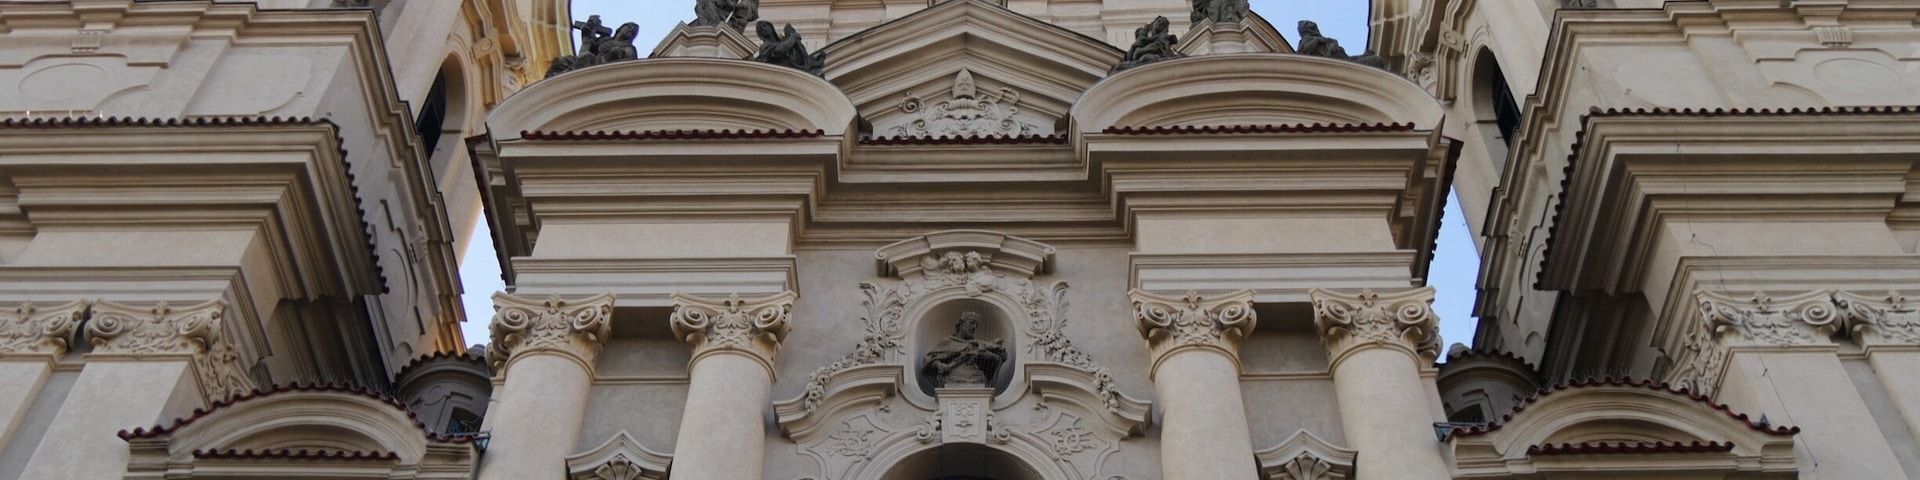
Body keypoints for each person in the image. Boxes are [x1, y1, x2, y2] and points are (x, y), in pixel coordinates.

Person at [921, 312, 1007, 388]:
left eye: (975, 325)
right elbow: (929, 358)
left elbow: (1000, 356)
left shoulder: (978, 344)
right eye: (971, 323)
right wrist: (939, 364)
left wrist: (982, 354)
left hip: (977, 376)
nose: (974, 327)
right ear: (961, 324)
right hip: (952, 376)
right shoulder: (947, 342)